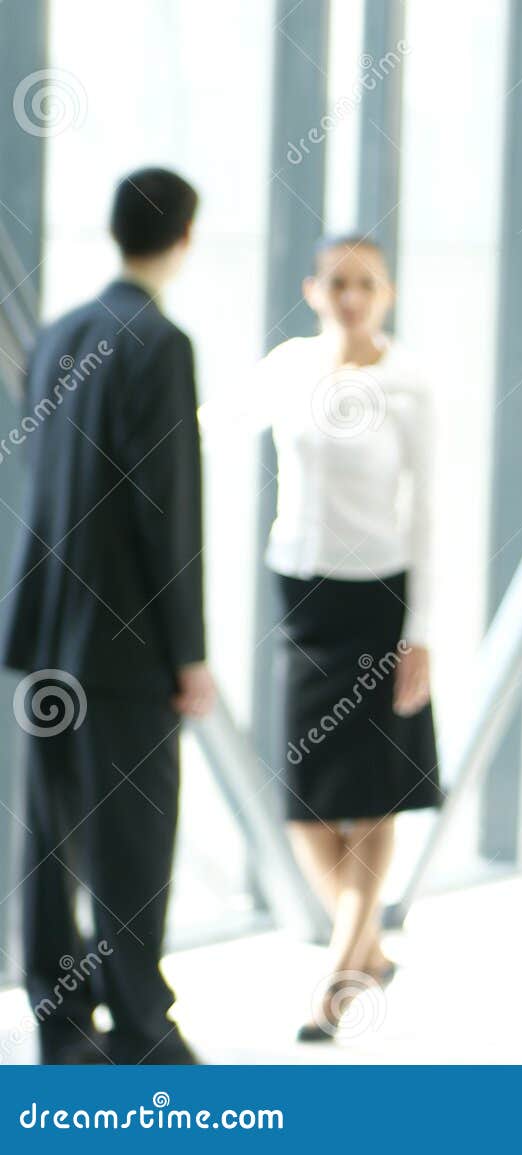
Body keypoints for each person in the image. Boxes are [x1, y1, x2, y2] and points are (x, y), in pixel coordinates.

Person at [1, 167, 213, 1065]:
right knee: (133, 833)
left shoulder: (59, 334)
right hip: (124, 642)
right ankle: (138, 1021)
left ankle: (60, 1019)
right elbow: (166, 505)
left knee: (52, 832)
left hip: (48, 630)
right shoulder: (159, 342)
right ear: (185, 237)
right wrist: (189, 652)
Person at [237, 233, 442, 1042]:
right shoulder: (288, 367)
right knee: (307, 802)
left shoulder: (409, 381)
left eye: (367, 284)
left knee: (373, 791)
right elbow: (215, 424)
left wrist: (420, 632)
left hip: (378, 601)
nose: (352, 297)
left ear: (386, 294)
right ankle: (370, 948)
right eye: (338, 283)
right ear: (313, 289)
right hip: (302, 599)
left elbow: (427, 511)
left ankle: (339, 973)